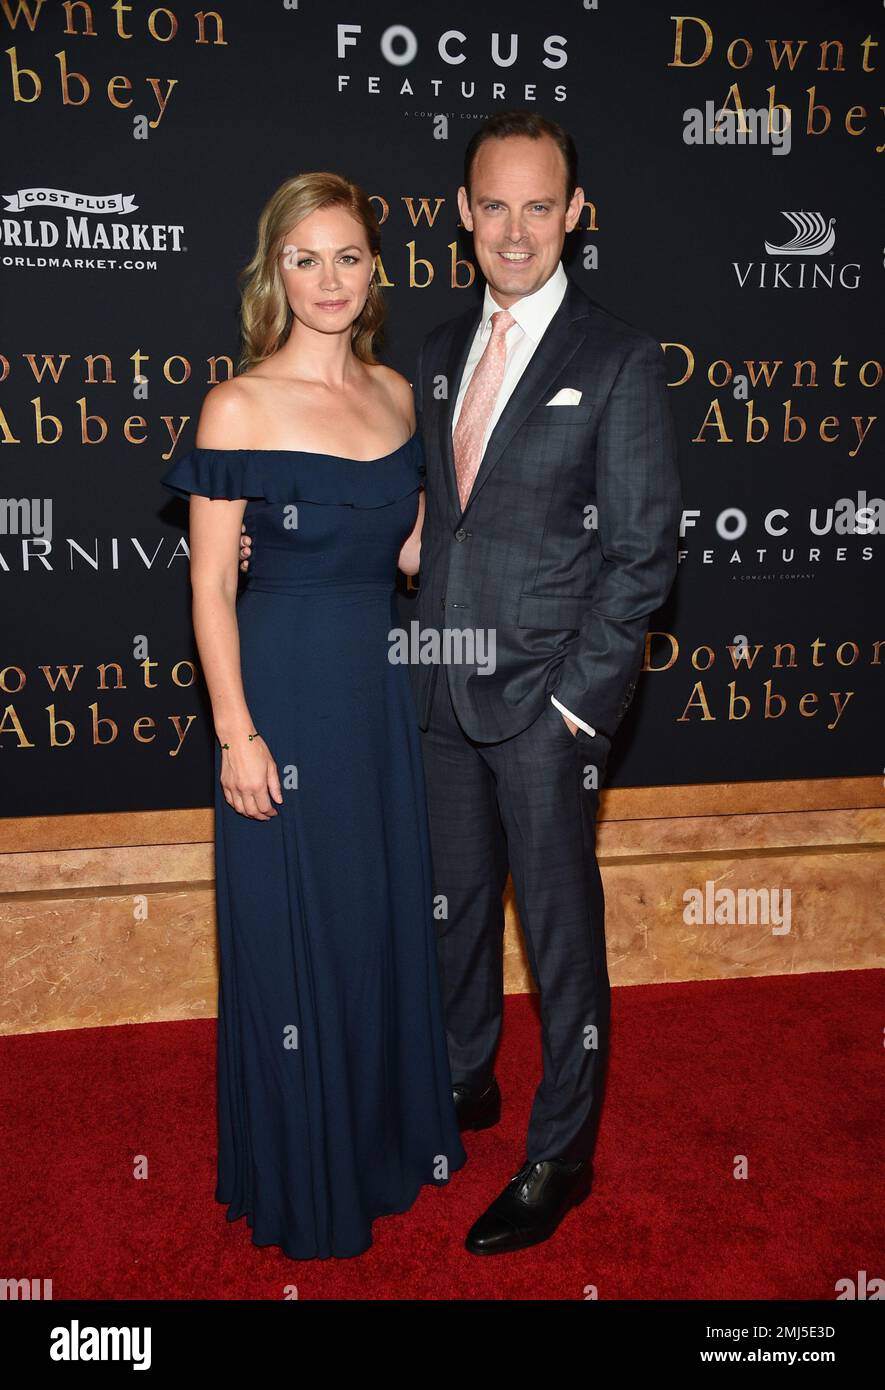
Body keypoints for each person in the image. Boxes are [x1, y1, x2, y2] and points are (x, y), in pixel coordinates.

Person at [241, 111, 682, 1255]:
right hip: (433, 695)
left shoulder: (620, 359)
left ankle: (560, 1152)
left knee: (561, 933)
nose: (517, 228)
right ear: (463, 215)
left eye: (542, 205)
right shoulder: (432, 356)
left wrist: (581, 702)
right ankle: (463, 1081)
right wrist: (270, 541)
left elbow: (642, 556)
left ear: (575, 216)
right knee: (450, 925)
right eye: (495, 205)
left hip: (549, 705)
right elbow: (417, 520)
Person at [160, 172, 466, 1261]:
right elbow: (208, 587)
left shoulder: (397, 396)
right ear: (273, 274)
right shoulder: (236, 406)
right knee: (291, 940)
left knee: (375, 925)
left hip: (376, 694)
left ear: (374, 268)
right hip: (280, 697)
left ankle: (381, 1149)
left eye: (346, 256)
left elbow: (417, 553)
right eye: (304, 258)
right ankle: (303, 1175)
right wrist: (237, 732)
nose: (327, 279)